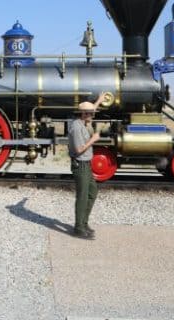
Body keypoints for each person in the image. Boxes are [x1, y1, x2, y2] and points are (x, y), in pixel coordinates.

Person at [68, 93, 108, 239]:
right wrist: (94, 139)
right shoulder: (77, 128)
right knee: (83, 196)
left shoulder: (82, 122)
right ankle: (79, 228)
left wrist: (98, 101)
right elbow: (79, 150)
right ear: (83, 114)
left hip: (87, 164)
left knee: (92, 192)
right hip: (81, 165)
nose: (92, 115)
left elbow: (90, 114)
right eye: (90, 113)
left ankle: (84, 223)